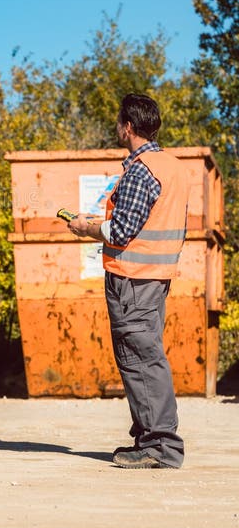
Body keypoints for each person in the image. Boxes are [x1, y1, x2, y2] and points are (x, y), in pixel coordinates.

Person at [67, 94, 189, 469]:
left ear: (129, 127)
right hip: (153, 279)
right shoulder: (172, 166)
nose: (117, 127)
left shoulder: (141, 170)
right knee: (144, 354)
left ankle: (160, 445)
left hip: (133, 280)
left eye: (119, 122)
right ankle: (150, 438)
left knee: (140, 357)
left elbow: (120, 230)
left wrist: (85, 227)